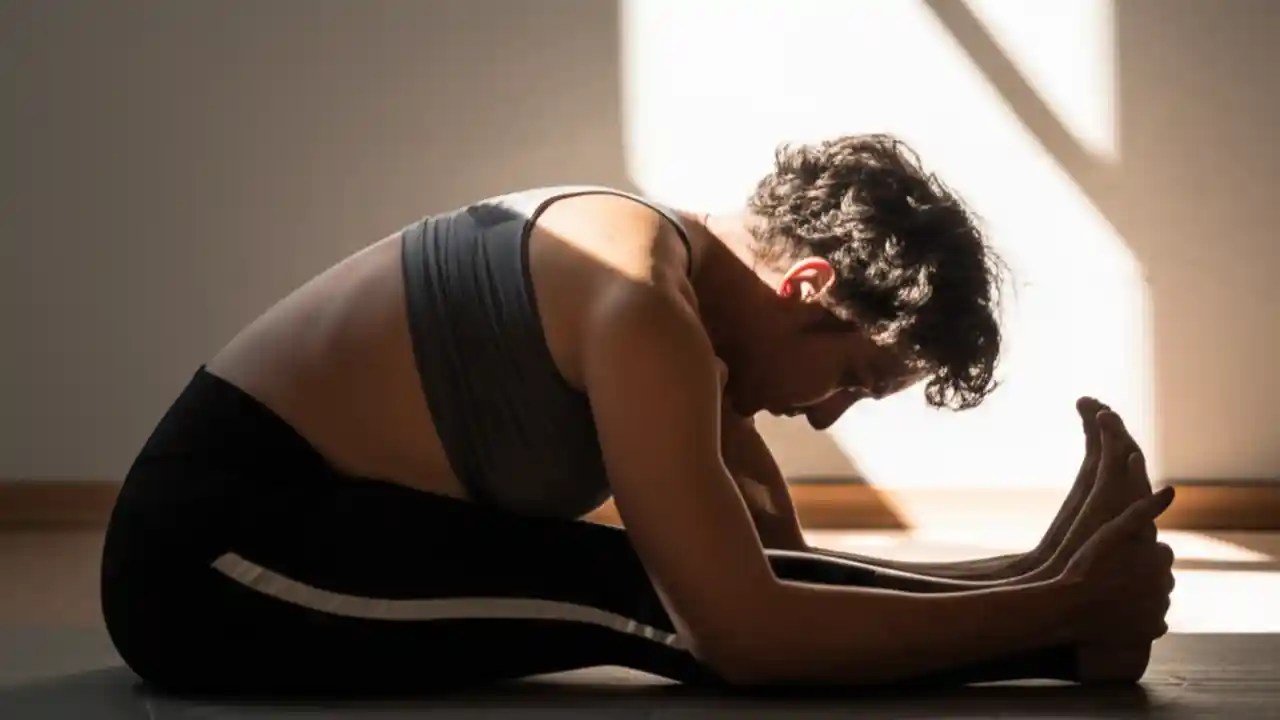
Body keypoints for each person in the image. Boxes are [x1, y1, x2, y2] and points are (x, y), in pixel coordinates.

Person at [100, 134, 1176, 695]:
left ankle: (1056, 605)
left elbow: (771, 568)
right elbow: (743, 636)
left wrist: (1023, 573)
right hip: (213, 566)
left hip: (320, 531)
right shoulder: (637, 304)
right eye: (848, 375)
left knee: (658, 581)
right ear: (804, 286)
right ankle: (1063, 630)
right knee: (630, 594)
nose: (823, 415)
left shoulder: (667, 289)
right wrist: (1050, 615)